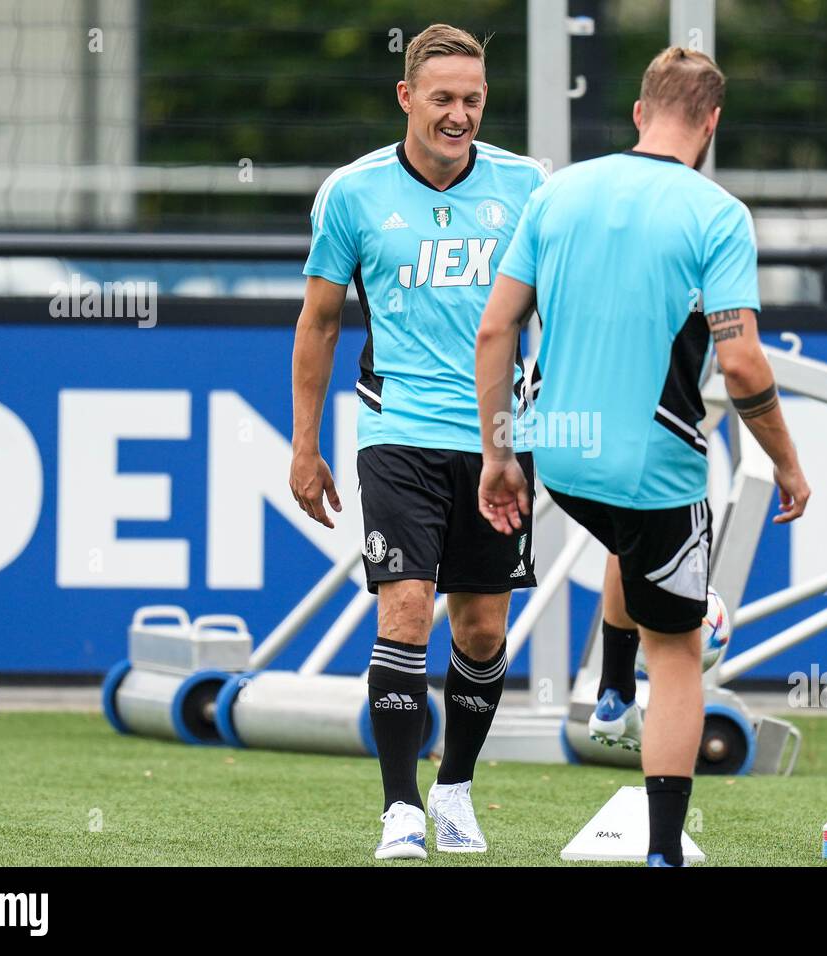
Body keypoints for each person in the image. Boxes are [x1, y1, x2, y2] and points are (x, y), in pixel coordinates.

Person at [475, 46, 810, 866]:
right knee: (683, 651)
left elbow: (494, 329)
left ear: (638, 111)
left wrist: (500, 453)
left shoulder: (557, 192)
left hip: (558, 449)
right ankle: (663, 850)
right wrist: (790, 465)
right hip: (653, 461)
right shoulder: (718, 214)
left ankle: (612, 690)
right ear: (713, 123)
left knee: (633, 539)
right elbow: (742, 365)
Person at [289, 23, 545, 860]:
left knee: (481, 631)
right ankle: (400, 809)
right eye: (444, 99)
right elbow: (321, 323)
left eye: (473, 99)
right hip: (397, 433)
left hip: (499, 441)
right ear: (407, 97)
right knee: (405, 609)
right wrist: (305, 444)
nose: (460, 114)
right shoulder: (353, 194)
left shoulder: (529, 187)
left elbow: (563, 308)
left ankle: (456, 789)